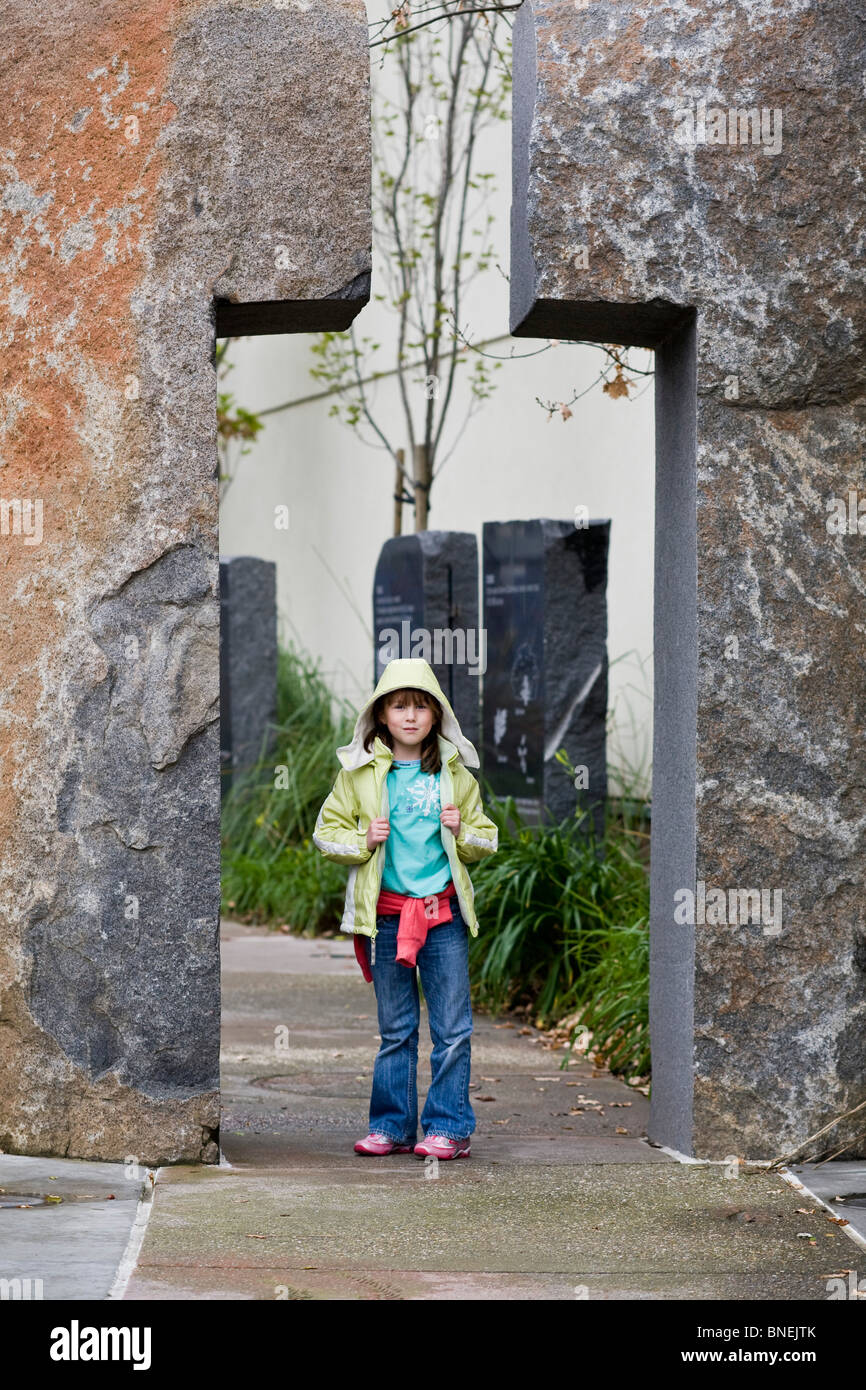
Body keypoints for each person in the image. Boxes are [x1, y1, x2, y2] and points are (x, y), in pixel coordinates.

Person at [313, 657, 498, 1160]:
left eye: (420, 706)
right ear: (381, 716)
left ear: (436, 716)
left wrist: (463, 831)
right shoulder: (360, 775)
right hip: (387, 919)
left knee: (452, 1030)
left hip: (442, 919)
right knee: (395, 1031)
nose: (410, 716)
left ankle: (448, 1128)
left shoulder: (456, 776)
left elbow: (487, 839)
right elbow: (325, 834)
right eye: (399, 706)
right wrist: (362, 838)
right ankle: (391, 1127)